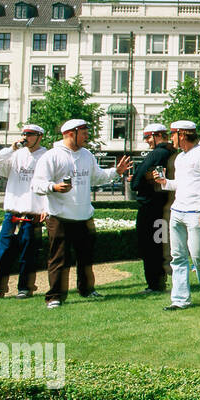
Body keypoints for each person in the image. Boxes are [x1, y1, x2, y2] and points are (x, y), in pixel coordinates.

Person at [30, 119, 132, 308]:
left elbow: (97, 177)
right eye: (83, 133)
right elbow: (36, 185)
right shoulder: (52, 156)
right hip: (59, 216)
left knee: (86, 257)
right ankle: (54, 297)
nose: (87, 136)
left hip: (84, 215)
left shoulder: (87, 155)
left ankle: (86, 289)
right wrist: (53, 187)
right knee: (59, 259)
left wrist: (116, 172)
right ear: (71, 133)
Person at [156, 120, 200, 309]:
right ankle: (180, 300)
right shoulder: (180, 157)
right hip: (177, 212)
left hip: (196, 213)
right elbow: (181, 184)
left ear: (182, 134)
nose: (171, 138)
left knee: (199, 255)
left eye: (173, 134)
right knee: (178, 257)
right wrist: (165, 182)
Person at [0, 123, 47, 299]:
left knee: (28, 254)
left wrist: (46, 209)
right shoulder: (15, 155)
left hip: (32, 213)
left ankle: (25, 287)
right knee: (3, 252)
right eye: (24, 134)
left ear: (39, 136)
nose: (26, 137)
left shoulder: (46, 156)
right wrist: (11, 148)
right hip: (12, 213)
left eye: (30, 134)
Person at [129, 122, 174, 295]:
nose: (148, 141)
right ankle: (160, 280)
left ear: (157, 136)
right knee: (160, 244)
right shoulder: (172, 153)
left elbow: (136, 182)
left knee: (150, 246)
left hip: (151, 207)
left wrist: (137, 180)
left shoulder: (157, 153)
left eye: (149, 137)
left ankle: (154, 283)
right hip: (165, 205)